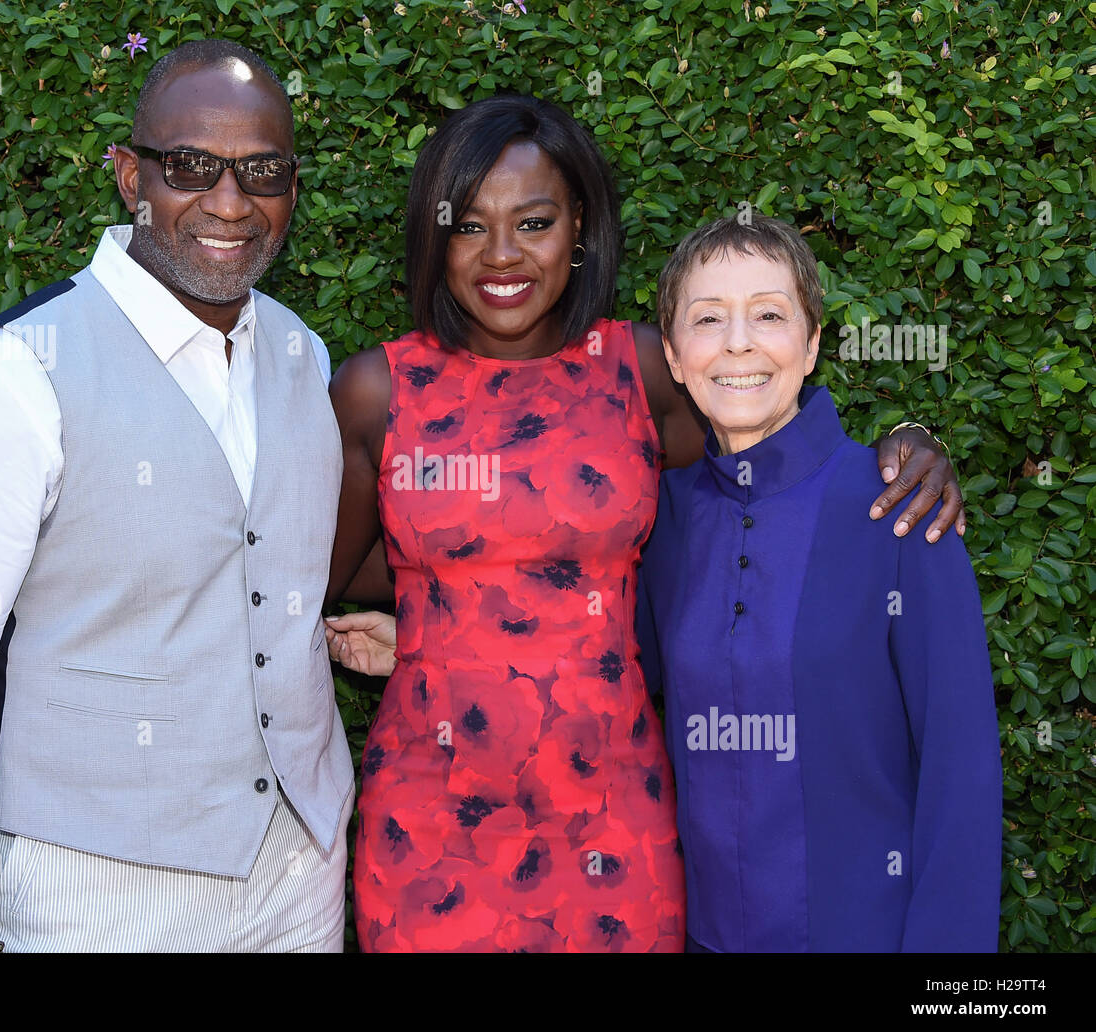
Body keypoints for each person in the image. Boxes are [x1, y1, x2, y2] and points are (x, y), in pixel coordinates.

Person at [324, 95, 965, 953]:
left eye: (536, 221)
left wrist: (905, 443)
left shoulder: (641, 371)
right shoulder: (375, 391)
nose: (503, 254)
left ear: (580, 226)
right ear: (433, 236)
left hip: (612, 821)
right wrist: (446, 628)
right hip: (432, 822)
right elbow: (329, 571)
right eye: (469, 226)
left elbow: (764, 441)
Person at [0, 41, 354, 952]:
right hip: (87, 892)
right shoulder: (16, 378)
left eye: (262, 171)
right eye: (190, 167)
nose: (228, 201)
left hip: (300, 875)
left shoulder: (304, 355)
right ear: (131, 175)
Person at [635, 214, 1001, 951]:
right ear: (674, 355)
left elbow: (960, 777)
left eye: (769, 314)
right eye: (708, 319)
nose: (738, 341)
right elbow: (594, 672)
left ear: (811, 343)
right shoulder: (662, 518)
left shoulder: (899, 503)